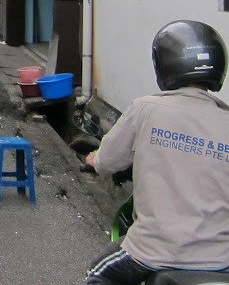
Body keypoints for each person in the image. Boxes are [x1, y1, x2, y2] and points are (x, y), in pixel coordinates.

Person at [85, 20, 229, 285]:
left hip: (154, 252)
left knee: (97, 274)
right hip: (220, 260)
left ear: (163, 65)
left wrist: (94, 160)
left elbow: (107, 160)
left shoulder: (146, 109)